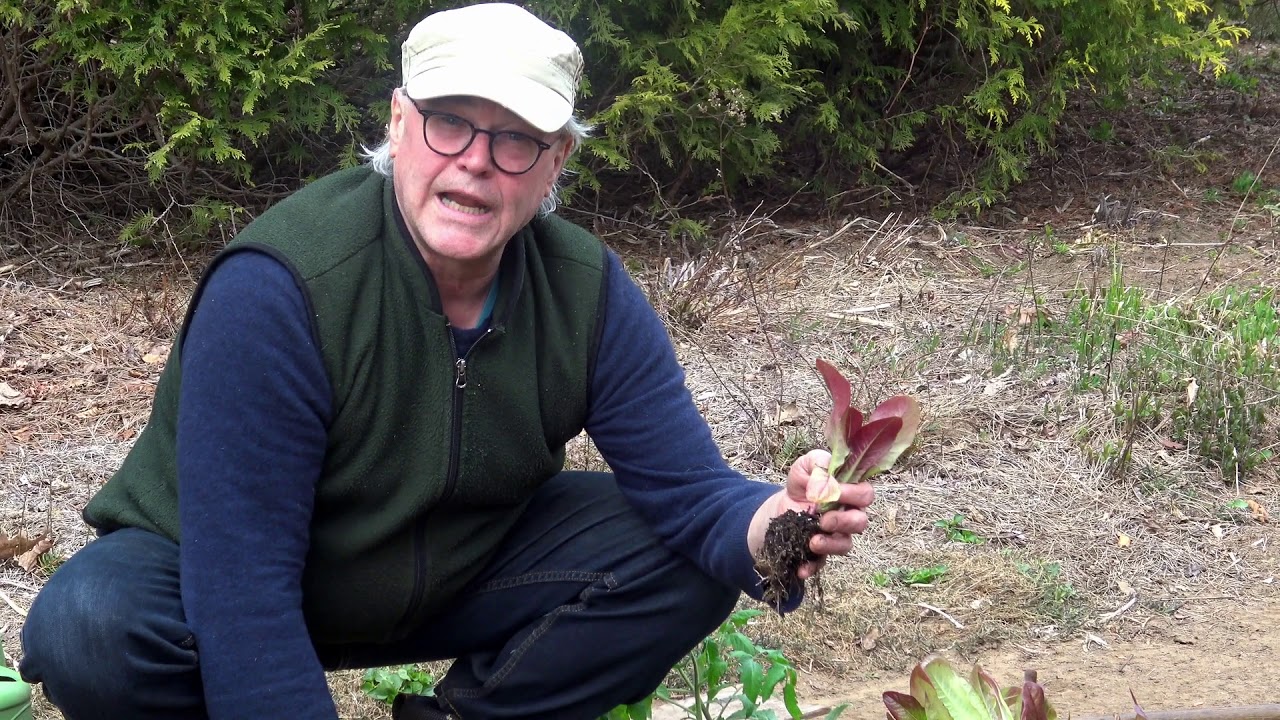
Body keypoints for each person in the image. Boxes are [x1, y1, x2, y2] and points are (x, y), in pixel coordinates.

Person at [18, 4, 875, 719]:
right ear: (398, 122)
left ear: (556, 163)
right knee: (91, 624)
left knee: (687, 557)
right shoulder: (282, 288)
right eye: (450, 122)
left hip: (459, 566)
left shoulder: (585, 290)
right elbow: (241, 589)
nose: (475, 160)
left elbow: (689, 496)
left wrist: (780, 526)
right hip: (222, 572)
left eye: (516, 139)